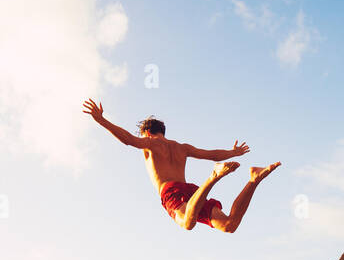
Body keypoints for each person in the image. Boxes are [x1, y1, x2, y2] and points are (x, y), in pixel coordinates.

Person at [83, 99, 280, 233]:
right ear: (163, 131)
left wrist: (101, 120)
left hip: (172, 191)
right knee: (230, 224)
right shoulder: (181, 147)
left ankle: (213, 177)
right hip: (192, 193)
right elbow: (211, 154)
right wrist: (233, 153)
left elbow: (128, 140)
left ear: (148, 133)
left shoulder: (150, 143)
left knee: (187, 224)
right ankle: (253, 180)